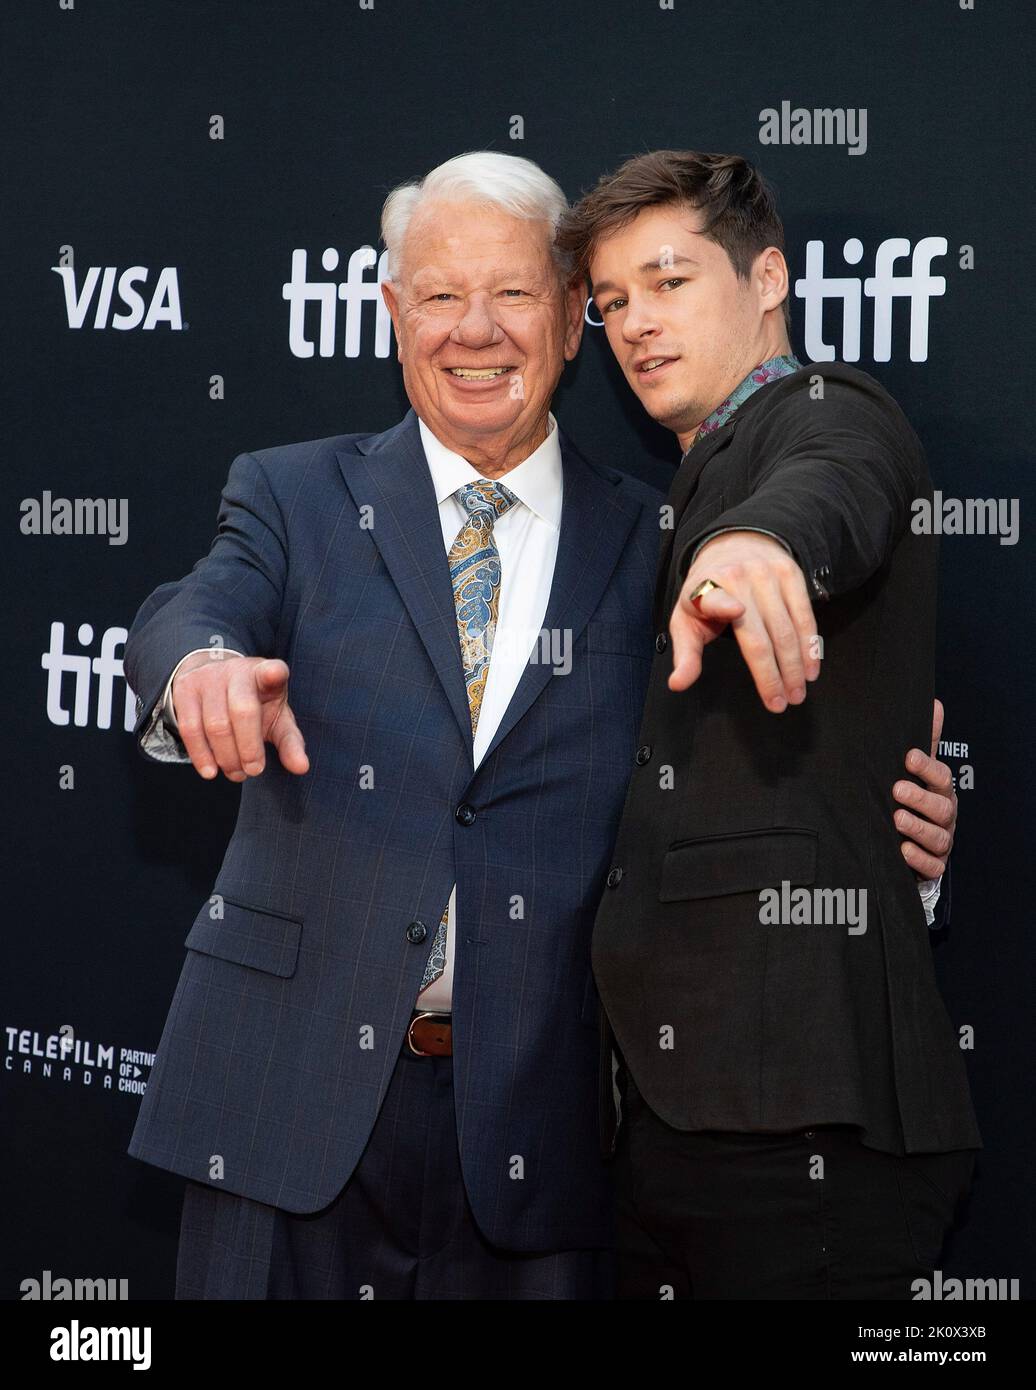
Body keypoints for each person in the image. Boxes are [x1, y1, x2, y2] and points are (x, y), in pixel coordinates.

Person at [124, 152, 958, 1300]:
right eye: (438, 295)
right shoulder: (293, 492)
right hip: (282, 1106)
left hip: (540, 1143)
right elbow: (195, 604)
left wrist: (886, 838)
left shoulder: (653, 537)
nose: (476, 330)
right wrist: (202, 668)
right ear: (389, 314)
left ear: (567, 326)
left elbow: (813, 544)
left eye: (515, 294)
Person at [557, 149, 980, 1300]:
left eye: (669, 281)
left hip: (806, 1132)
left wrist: (761, 545)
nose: (636, 323)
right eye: (610, 304)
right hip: (668, 1126)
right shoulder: (668, 501)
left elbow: (837, 477)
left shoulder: (826, 410)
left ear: (768, 280)